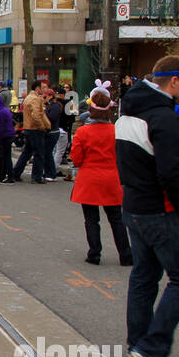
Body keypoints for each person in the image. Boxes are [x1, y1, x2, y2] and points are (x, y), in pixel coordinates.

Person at [115, 55, 179, 357]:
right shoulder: (164, 118)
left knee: (144, 276)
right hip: (162, 210)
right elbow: (172, 170)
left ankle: (138, 346)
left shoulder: (128, 112)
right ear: (175, 82)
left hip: (135, 207)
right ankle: (152, 349)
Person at [70, 86, 131, 266]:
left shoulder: (83, 132)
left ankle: (95, 253)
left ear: (91, 110)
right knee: (116, 219)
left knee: (91, 219)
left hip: (89, 179)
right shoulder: (116, 131)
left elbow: (76, 158)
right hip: (111, 178)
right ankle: (126, 254)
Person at [12, 80, 51, 185]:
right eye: (43, 88)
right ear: (38, 88)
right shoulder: (35, 99)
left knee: (27, 152)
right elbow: (36, 115)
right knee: (38, 153)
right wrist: (42, 126)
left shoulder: (29, 98)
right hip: (35, 129)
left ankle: (16, 173)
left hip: (28, 128)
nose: (44, 90)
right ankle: (36, 176)